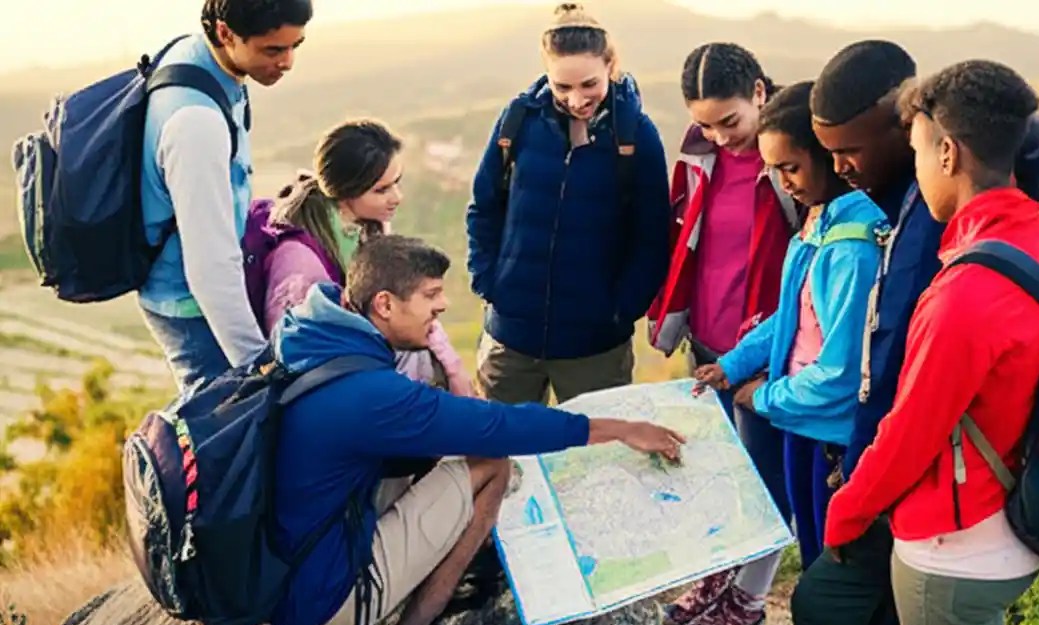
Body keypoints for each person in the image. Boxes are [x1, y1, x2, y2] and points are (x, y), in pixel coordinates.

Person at [269, 235, 685, 625]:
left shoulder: (309, 336)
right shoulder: (371, 394)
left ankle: (449, 567)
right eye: (430, 296)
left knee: (438, 451)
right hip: (325, 598)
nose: (442, 306)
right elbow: (496, 426)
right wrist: (619, 428)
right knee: (490, 464)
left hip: (285, 566)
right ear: (384, 304)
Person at [825, 60, 1039, 625]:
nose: (917, 167)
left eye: (918, 149)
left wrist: (845, 512)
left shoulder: (965, 292)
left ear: (948, 150)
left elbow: (910, 432)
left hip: (954, 551)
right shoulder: (1038, 234)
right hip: (1009, 517)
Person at [684, 81, 890, 625]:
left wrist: (762, 397)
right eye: (773, 169)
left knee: (831, 559)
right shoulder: (820, 221)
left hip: (826, 431)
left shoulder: (852, 246)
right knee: (809, 542)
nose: (782, 181)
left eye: (790, 167)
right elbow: (788, 315)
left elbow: (838, 369)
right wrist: (734, 361)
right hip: (801, 424)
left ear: (829, 154)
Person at [649, 41, 796, 625]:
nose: (720, 134)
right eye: (705, 122)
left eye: (729, 120)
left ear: (760, 92)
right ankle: (719, 574)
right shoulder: (698, 154)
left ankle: (751, 597)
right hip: (707, 338)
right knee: (718, 468)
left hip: (765, 346)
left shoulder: (792, 159)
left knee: (764, 476)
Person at [466, 2, 670, 405]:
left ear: (610, 65)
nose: (577, 99)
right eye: (563, 87)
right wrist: (488, 282)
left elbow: (653, 236)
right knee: (498, 456)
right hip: (510, 336)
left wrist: (620, 309)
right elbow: (484, 207)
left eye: (589, 85)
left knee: (600, 459)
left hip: (595, 346)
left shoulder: (636, 135)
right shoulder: (518, 121)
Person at [140, 0, 312, 397]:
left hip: (195, 297)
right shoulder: (195, 124)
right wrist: (259, 366)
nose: (287, 62)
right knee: (227, 436)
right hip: (192, 309)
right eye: (273, 50)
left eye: (295, 46)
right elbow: (210, 268)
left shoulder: (202, 59)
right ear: (224, 33)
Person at [246, 119, 470, 395]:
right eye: (381, 190)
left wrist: (453, 367)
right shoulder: (299, 264)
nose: (397, 197)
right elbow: (300, 358)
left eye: (396, 184)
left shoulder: (367, 230)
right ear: (344, 190)